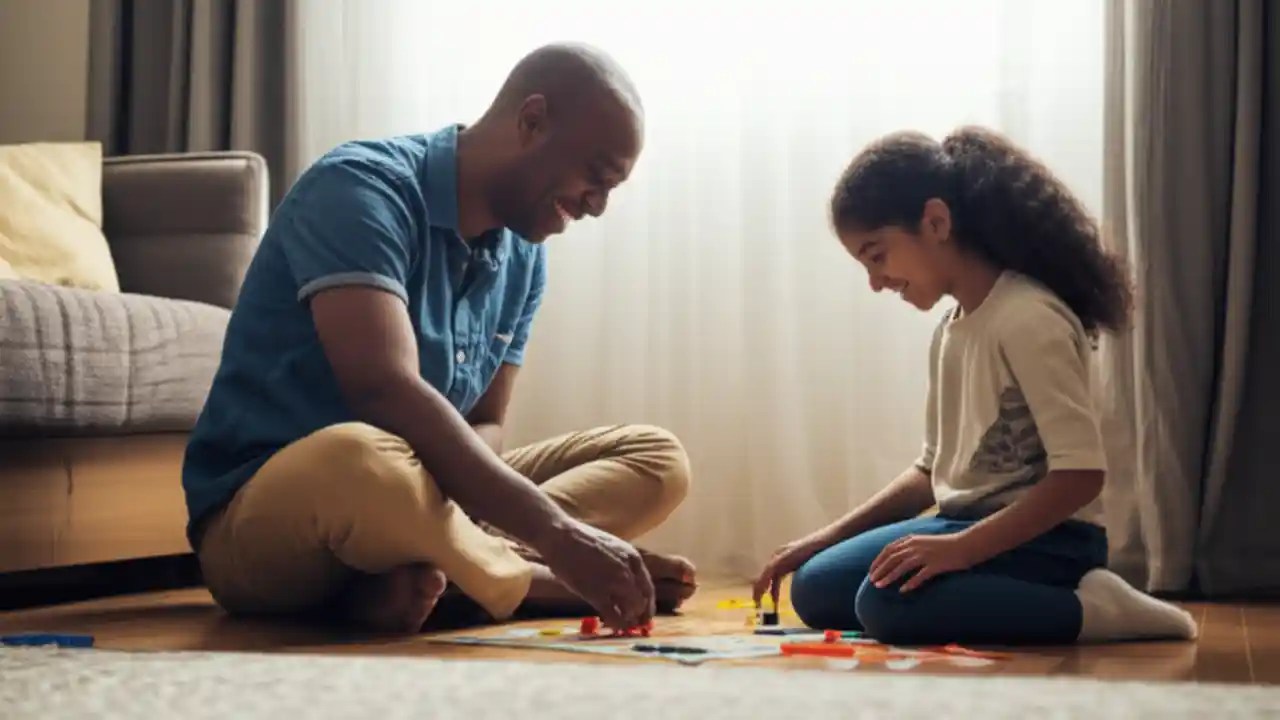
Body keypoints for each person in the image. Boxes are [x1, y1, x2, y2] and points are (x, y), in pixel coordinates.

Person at [183, 43, 696, 634]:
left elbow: (487, 421)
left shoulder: (525, 254)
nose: (598, 207)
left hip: (423, 496)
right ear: (531, 122)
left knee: (656, 457)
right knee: (361, 458)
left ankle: (439, 576)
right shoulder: (359, 189)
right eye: (596, 177)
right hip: (273, 514)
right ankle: (532, 582)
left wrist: (512, 522)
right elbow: (384, 389)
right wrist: (558, 537)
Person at [752, 127, 1198, 645]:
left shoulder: (1029, 317)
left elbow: (1080, 476)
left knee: (886, 605)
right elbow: (929, 470)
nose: (875, 282)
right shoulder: (952, 328)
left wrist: (957, 551)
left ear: (936, 222)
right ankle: (983, 592)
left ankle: (1093, 608)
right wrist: (822, 540)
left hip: (1052, 541)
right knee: (817, 586)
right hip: (963, 524)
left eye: (878, 256)